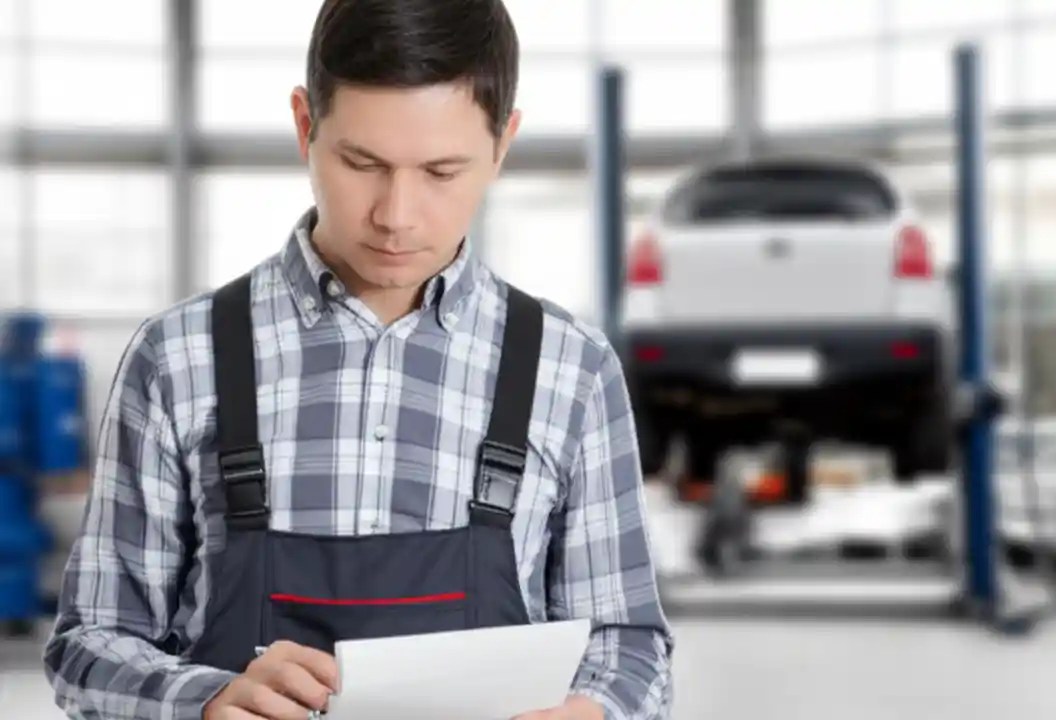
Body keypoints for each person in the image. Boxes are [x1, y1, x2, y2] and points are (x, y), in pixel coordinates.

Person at [42, 1, 674, 718]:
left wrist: (590, 712)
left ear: (504, 144)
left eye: (441, 171)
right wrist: (204, 700)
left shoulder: (572, 369)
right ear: (305, 125)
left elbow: (630, 642)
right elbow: (91, 642)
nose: (396, 215)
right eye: (362, 163)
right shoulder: (178, 359)